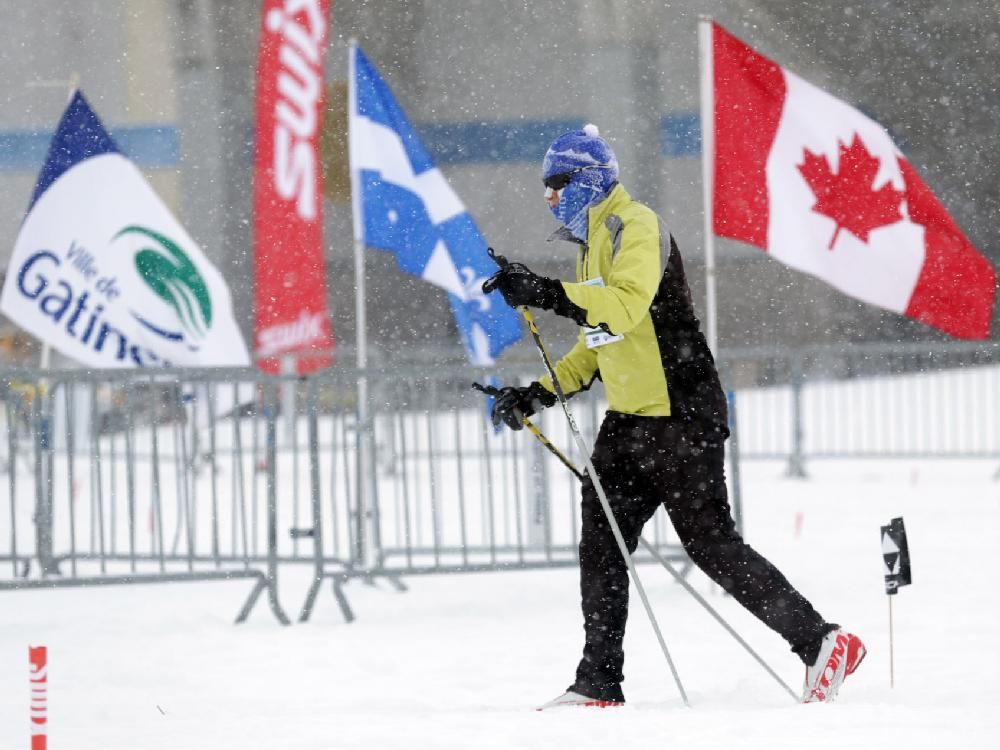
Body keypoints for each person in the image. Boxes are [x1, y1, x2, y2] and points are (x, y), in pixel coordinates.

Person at [482, 124, 866, 708]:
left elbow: (627, 306)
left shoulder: (635, 225)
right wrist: (537, 392)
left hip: (681, 413)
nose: (550, 197)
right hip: (631, 420)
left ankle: (823, 643)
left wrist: (546, 290)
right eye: (546, 187)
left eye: (557, 184)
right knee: (601, 544)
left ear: (589, 179)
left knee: (711, 546)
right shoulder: (590, 245)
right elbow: (597, 340)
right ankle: (598, 683)